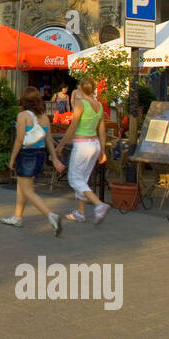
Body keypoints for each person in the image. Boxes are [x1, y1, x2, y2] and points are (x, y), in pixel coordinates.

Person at [1, 88, 64, 234]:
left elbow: (19, 139)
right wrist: (54, 158)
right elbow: (49, 139)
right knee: (22, 186)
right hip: (40, 153)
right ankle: (17, 217)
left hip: (26, 153)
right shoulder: (44, 117)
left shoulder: (22, 115)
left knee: (28, 190)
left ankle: (51, 215)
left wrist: (12, 159)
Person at [57, 78, 110, 227]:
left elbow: (73, 127)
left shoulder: (81, 105)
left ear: (80, 89)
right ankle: (80, 212)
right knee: (83, 179)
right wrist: (103, 150)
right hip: (94, 144)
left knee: (74, 179)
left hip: (82, 145)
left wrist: (60, 145)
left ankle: (99, 205)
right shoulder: (99, 105)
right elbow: (102, 129)